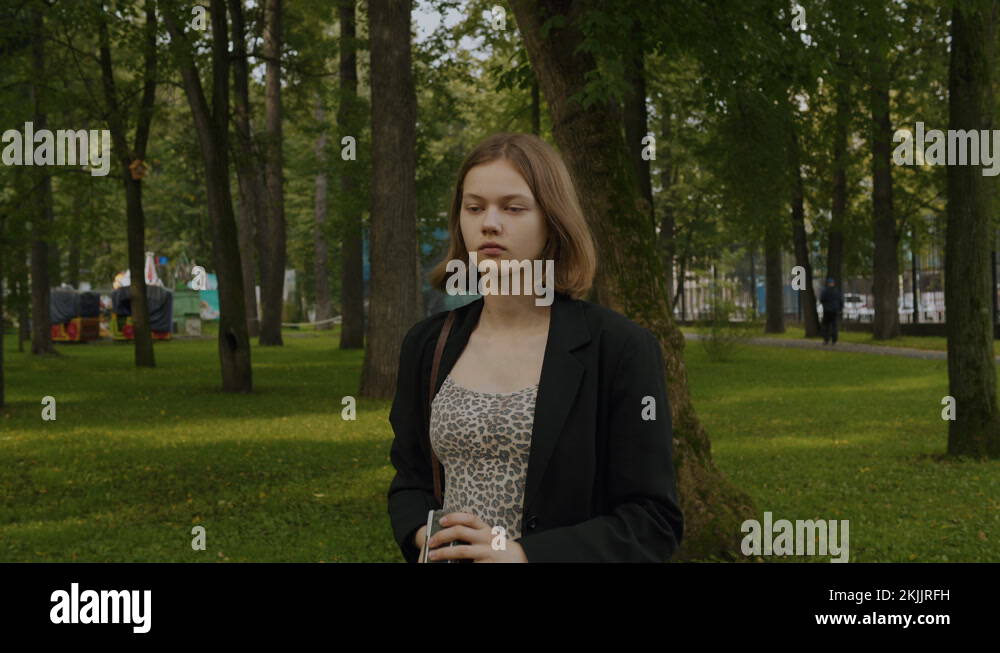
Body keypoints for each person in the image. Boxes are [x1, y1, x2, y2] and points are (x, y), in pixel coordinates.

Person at [386, 132, 684, 562]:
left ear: (553, 222)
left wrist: (524, 556)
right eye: (474, 208)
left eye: (513, 208)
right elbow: (409, 479)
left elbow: (653, 520)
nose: (489, 223)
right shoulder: (429, 343)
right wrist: (425, 537)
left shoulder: (619, 348)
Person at [819, 277, 843, 345]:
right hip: (834, 310)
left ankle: (826, 339)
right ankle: (834, 340)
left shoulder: (825, 291)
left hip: (827, 310)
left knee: (826, 325)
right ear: (833, 283)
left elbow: (822, 299)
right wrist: (840, 308)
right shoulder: (836, 291)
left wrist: (825, 305)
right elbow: (840, 300)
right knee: (834, 325)